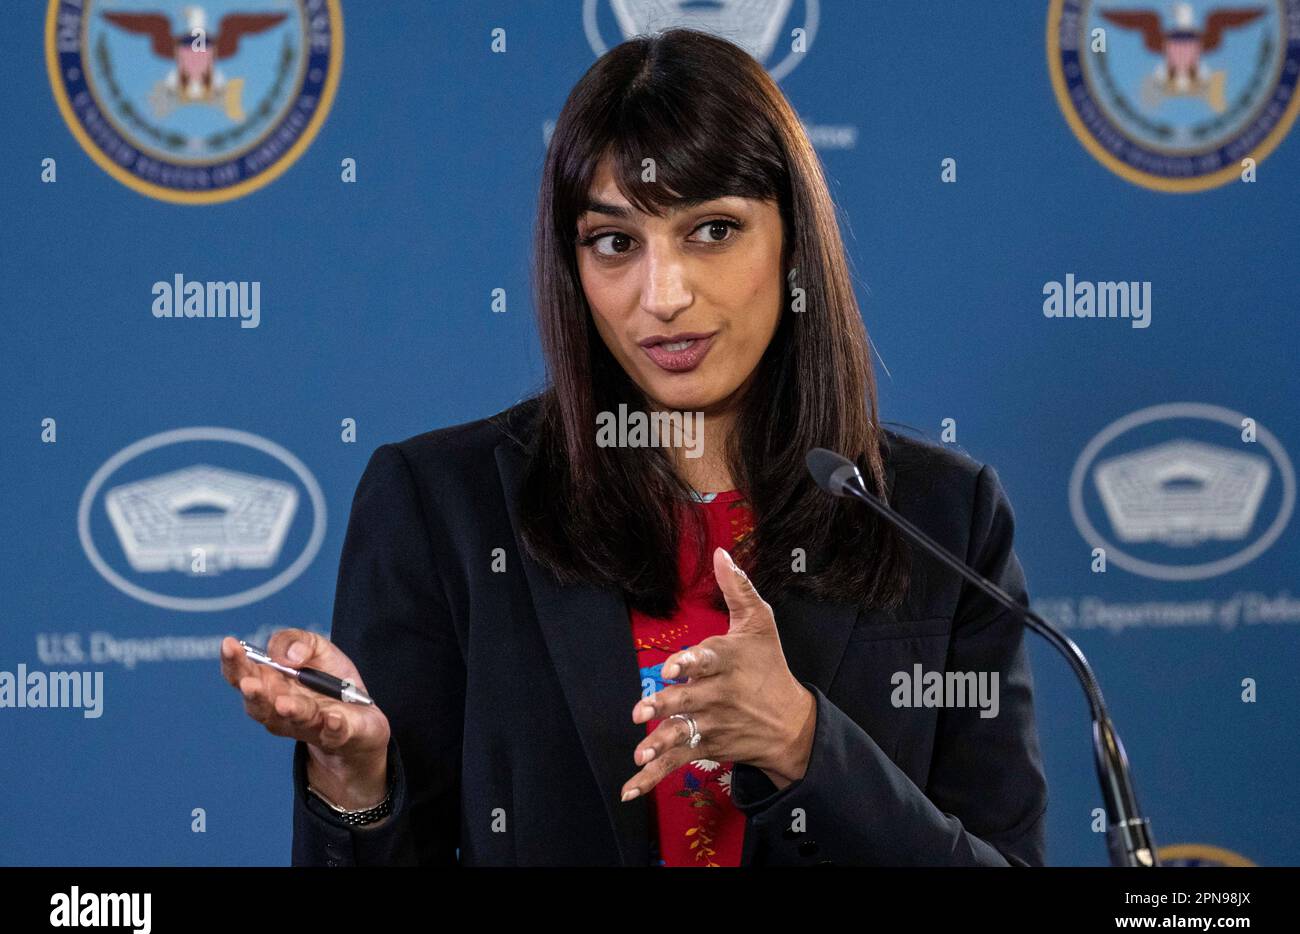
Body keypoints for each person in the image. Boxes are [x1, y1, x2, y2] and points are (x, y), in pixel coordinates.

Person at [220, 27, 1047, 866]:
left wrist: (802, 742)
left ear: (795, 242)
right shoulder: (441, 506)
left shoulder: (943, 516)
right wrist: (355, 783)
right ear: (571, 266)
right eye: (615, 242)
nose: (664, 295)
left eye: (713, 231)